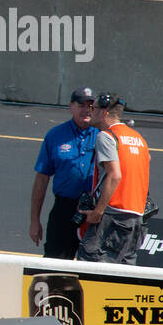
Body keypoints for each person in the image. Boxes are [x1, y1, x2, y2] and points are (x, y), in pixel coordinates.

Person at [77, 93, 149, 265]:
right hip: (136, 219)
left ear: (104, 113)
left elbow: (115, 175)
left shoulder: (107, 136)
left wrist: (97, 212)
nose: (89, 112)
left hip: (113, 216)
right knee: (124, 274)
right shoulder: (139, 139)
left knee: (91, 266)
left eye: (93, 108)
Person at [29, 87, 98, 259]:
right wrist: (34, 221)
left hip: (94, 211)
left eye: (91, 106)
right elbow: (42, 179)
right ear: (71, 107)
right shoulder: (55, 135)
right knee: (55, 262)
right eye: (81, 105)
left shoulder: (104, 134)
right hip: (64, 209)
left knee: (93, 267)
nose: (86, 110)